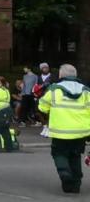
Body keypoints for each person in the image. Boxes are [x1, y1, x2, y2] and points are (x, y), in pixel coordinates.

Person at [38, 64, 90, 193]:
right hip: (80, 132)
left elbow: (42, 107)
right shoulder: (85, 91)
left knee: (59, 153)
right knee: (75, 155)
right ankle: (76, 184)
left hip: (60, 132)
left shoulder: (54, 89)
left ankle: (65, 174)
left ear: (61, 75)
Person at [35, 62, 56, 137]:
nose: (46, 69)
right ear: (41, 69)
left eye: (47, 67)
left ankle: (49, 128)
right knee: (38, 112)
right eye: (44, 67)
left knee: (49, 113)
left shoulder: (53, 76)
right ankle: (45, 126)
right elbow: (35, 87)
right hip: (40, 97)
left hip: (49, 96)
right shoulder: (38, 77)